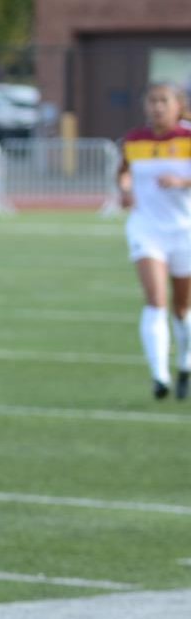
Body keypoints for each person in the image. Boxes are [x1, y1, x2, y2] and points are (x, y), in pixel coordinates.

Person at [117, 82, 191, 400]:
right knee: (155, 299)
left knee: (183, 307)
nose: (157, 107)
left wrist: (182, 181)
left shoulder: (187, 138)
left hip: (185, 230)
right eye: (152, 101)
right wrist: (125, 189)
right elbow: (123, 172)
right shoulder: (134, 140)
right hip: (146, 228)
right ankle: (159, 375)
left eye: (163, 101)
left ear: (178, 105)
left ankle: (185, 363)